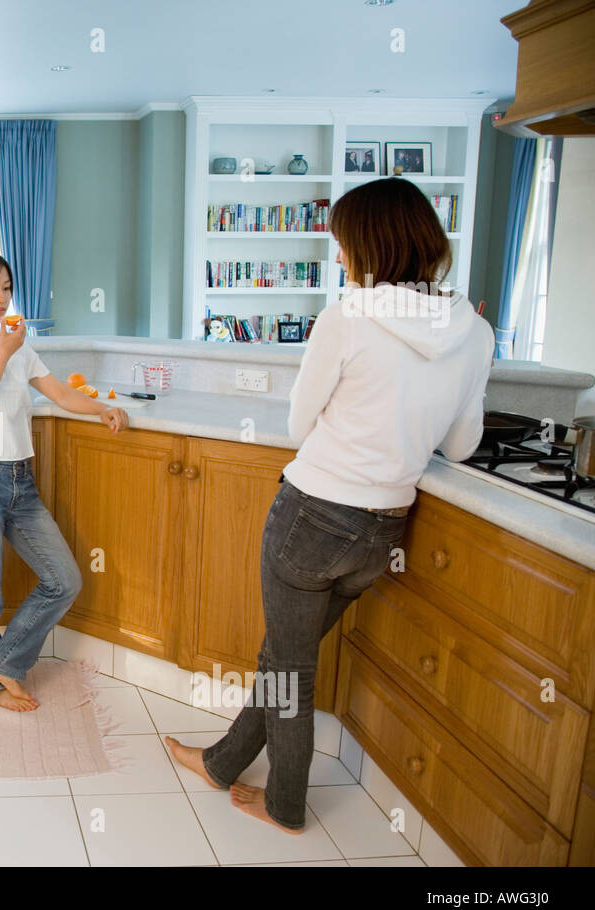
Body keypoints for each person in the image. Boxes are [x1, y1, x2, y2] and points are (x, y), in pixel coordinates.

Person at [166, 177, 494, 832]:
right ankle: (223, 762)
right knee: (284, 656)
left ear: (369, 242)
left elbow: (297, 426)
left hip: (312, 519)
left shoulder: (347, 317)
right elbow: (460, 445)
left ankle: (285, 802)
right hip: (383, 533)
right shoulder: (473, 329)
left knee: (289, 668)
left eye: (342, 242)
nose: (339, 256)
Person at [0, 250, 129, 712]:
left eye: (6, 287)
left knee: (66, 579)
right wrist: (2, 355)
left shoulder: (16, 343)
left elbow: (58, 392)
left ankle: (1, 663)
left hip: (21, 478)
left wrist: (103, 409)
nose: (1, 297)